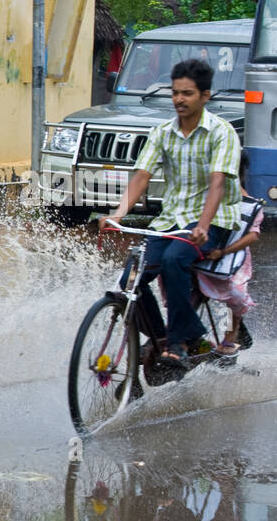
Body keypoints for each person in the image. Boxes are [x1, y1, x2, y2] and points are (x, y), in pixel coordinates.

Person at [100, 58, 243, 365]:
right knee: (130, 278)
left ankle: (182, 340)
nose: (179, 99)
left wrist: (204, 225)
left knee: (173, 260)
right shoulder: (162, 132)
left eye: (187, 93)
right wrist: (118, 214)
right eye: (176, 92)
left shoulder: (222, 132)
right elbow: (142, 175)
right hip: (171, 220)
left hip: (214, 220)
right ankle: (162, 336)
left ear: (205, 96)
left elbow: (217, 183)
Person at [196, 151, 263, 355]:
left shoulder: (250, 204)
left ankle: (230, 336)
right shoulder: (205, 197)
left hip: (233, 258)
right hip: (205, 252)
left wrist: (224, 251)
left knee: (233, 295)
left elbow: (252, 236)